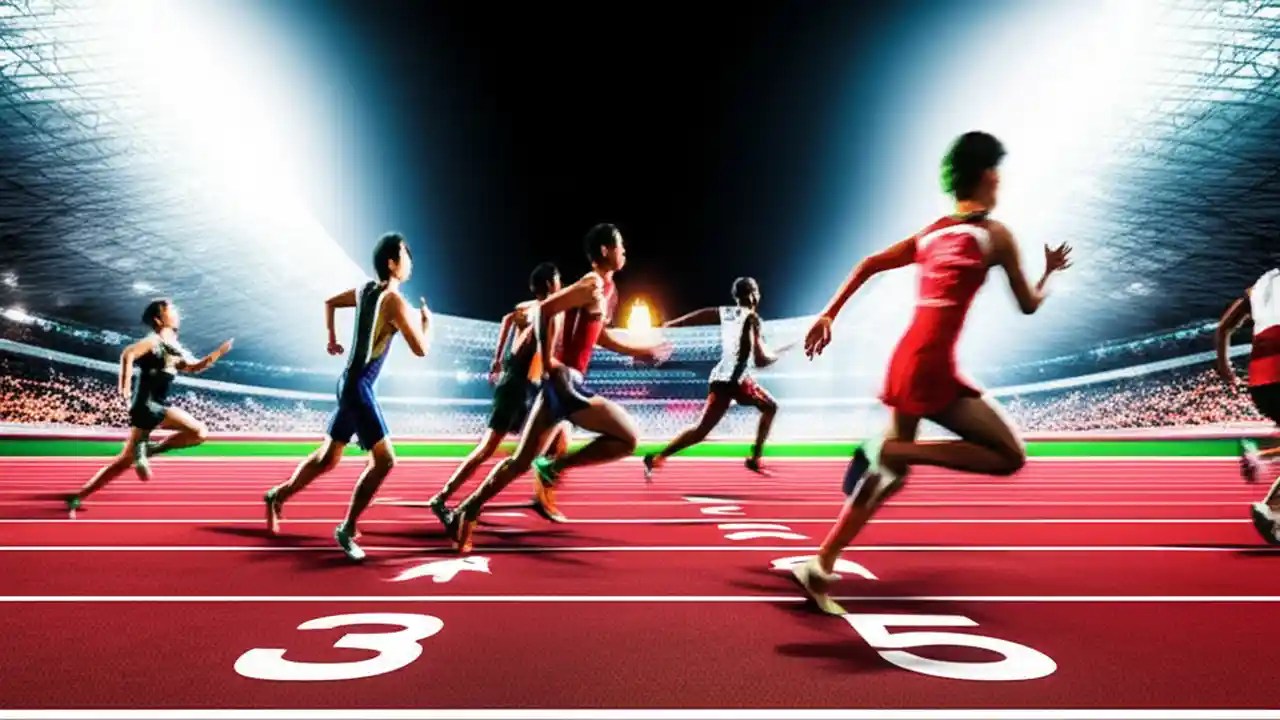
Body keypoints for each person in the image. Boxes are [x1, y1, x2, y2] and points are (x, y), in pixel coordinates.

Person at [794, 131, 1072, 612]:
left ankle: (820, 564)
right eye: (997, 170)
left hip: (909, 360)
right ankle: (893, 447)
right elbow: (1028, 307)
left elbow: (868, 264)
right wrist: (1050, 275)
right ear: (988, 175)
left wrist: (829, 314)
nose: (1000, 179)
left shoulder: (933, 232)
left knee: (888, 475)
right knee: (1008, 454)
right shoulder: (995, 235)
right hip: (929, 369)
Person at [445, 223, 670, 552]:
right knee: (628, 438)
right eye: (621, 246)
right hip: (565, 382)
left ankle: (466, 510)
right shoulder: (591, 283)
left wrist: (641, 351)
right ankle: (553, 468)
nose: (625, 252)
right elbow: (546, 309)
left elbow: (600, 337)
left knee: (520, 461)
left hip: (563, 385)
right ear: (606, 251)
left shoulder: (608, 291)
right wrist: (549, 359)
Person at [263, 232, 432, 561]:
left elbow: (329, 302)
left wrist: (331, 338)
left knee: (328, 458)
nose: (410, 260)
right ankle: (347, 527)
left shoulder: (365, 289)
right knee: (385, 461)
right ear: (392, 263)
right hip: (359, 388)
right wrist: (428, 324)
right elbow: (422, 350)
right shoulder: (395, 302)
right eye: (405, 255)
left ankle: (276, 495)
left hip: (349, 382)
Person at [424, 262, 569, 524]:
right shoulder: (549, 311)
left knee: (556, 436)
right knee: (491, 449)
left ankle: (540, 492)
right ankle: (443, 498)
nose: (562, 285)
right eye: (559, 281)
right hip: (517, 387)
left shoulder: (531, 308)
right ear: (551, 285)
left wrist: (497, 359)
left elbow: (507, 318)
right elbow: (545, 358)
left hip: (520, 384)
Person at [65, 299, 232, 516]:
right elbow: (128, 354)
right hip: (144, 406)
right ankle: (138, 454)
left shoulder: (175, 349)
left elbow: (194, 367)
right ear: (158, 319)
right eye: (170, 310)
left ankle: (144, 453)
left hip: (159, 407)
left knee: (198, 432)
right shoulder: (153, 341)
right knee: (130, 462)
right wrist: (123, 389)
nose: (176, 312)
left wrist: (219, 353)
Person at [643, 276, 794, 479]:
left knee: (701, 431)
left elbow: (701, 316)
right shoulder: (752, 318)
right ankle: (754, 458)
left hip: (726, 380)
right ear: (752, 295)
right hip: (735, 383)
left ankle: (658, 458)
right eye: (756, 291)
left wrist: (671, 324)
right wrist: (780, 354)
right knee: (769, 408)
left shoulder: (727, 313)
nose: (758, 295)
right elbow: (760, 359)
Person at [1215, 267, 1280, 544]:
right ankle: (1263, 458)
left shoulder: (1261, 283)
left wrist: (1224, 366)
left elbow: (1223, 328)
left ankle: (1273, 513)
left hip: (1260, 380)